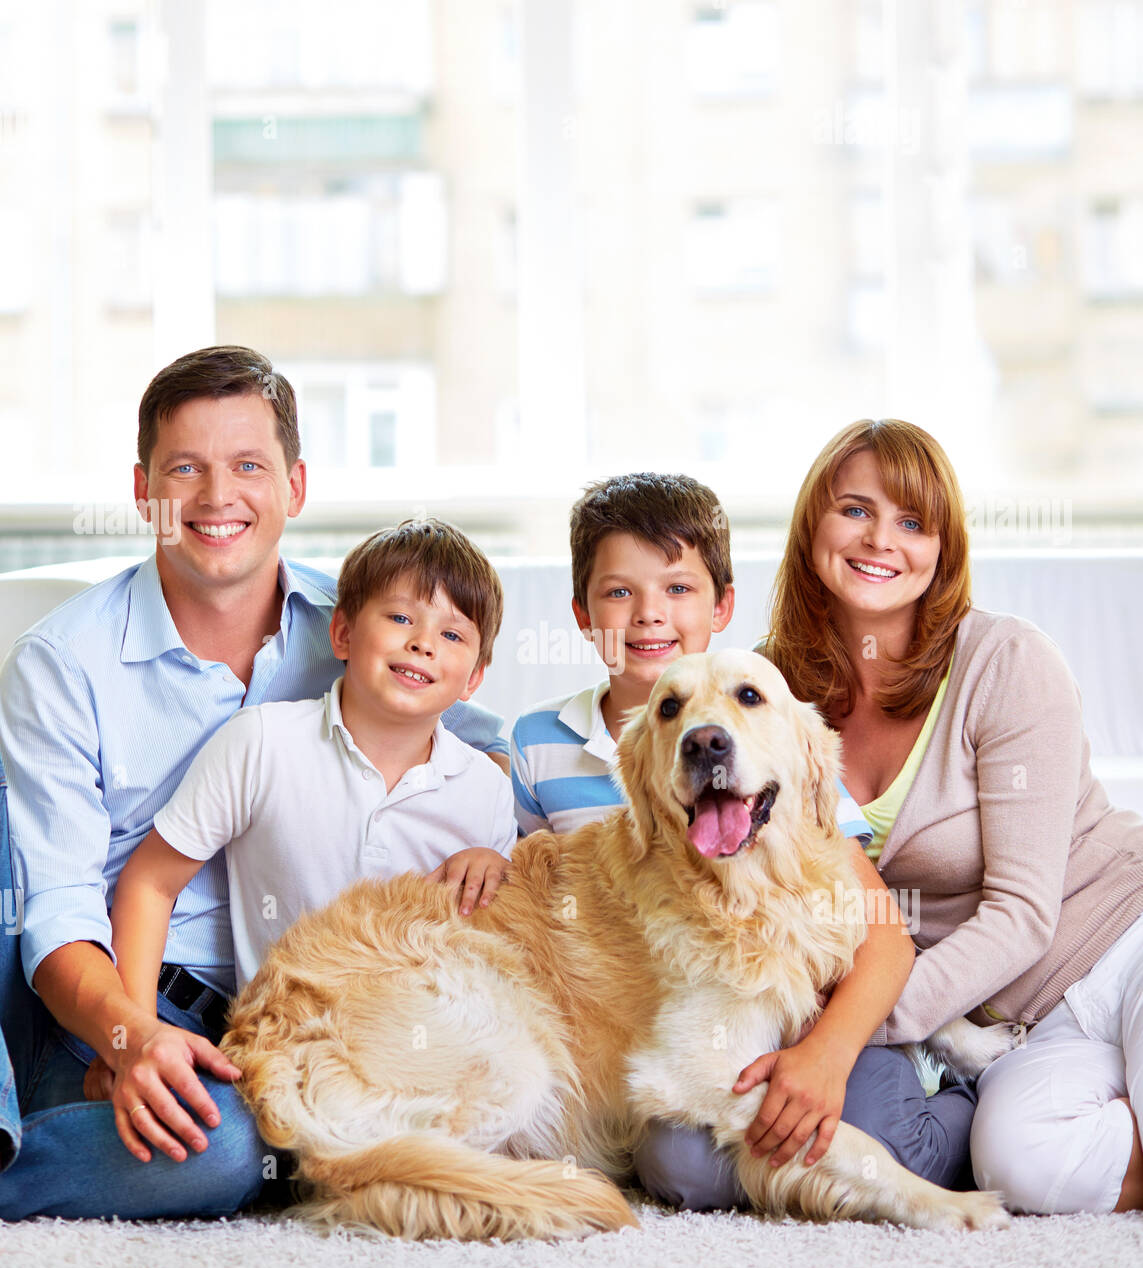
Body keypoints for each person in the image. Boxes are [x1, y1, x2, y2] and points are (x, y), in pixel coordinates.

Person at [0, 346, 509, 1219]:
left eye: (247, 466)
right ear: (143, 491)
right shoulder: (62, 662)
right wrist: (128, 1035)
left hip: (296, 1011)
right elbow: (60, 907)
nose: (216, 496)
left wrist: (483, 846)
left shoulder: (360, 625)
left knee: (273, 1142)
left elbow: (482, 743)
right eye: (184, 469)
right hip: (121, 988)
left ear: (294, 486)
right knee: (226, 1152)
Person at [509, 471, 970, 1209]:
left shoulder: (784, 752)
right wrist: (480, 856)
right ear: (582, 613)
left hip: (808, 1019)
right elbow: (532, 896)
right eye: (619, 592)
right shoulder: (541, 745)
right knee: (681, 1166)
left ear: (720, 604)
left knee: (870, 1123)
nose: (649, 614)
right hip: (672, 1022)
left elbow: (882, 934)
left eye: (677, 589)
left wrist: (825, 1055)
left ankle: (951, 1117)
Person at [763, 417, 1143, 1215]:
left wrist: (845, 1030)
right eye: (854, 510)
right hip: (1015, 1028)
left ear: (942, 549)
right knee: (1017, 1164)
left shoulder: (1004, 661)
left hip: (1121, 943)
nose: (880, 540)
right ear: (811, 527)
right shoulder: (768, 690)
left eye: (911, 522)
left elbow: (1021, 915)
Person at [107, 518, 516, 1161]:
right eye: (400, 619)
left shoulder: (485, 791)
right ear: (343, 633)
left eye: (452, 634)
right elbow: (149, 883)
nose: (422, 644)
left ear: (474, 679)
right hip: (284, 1050)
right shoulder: (262, 742)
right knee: (214, 1150)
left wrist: (496, 862)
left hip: (417, 1059)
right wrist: (132, 1036)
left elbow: (491, 953)